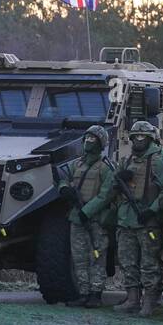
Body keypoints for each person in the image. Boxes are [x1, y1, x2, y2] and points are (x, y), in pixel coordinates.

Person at [111, 120, 163, 316]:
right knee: (127, 261)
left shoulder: (160, 161)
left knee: (150, 263)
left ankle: (150, 301)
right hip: (126, 220)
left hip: (149, 222)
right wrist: (118, 179)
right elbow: (113, 184)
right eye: (135, 137)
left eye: (142, 137)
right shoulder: (127, 160)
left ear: (150, 138)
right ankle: (132, 299)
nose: (138, 141)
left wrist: (153, 209)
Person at [60, 124, 113, 309]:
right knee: (79, 257)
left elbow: (106, 195)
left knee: (96, 257)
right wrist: (64, 189)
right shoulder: (77, 164)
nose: (89, 142)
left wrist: (87, 211)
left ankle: (96, 293)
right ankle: (83, 293)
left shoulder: (105, 168)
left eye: (93, 139)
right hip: (76, 218)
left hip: (95, 221)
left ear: (101, 143)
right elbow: (63, 179)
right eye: (87, 139)